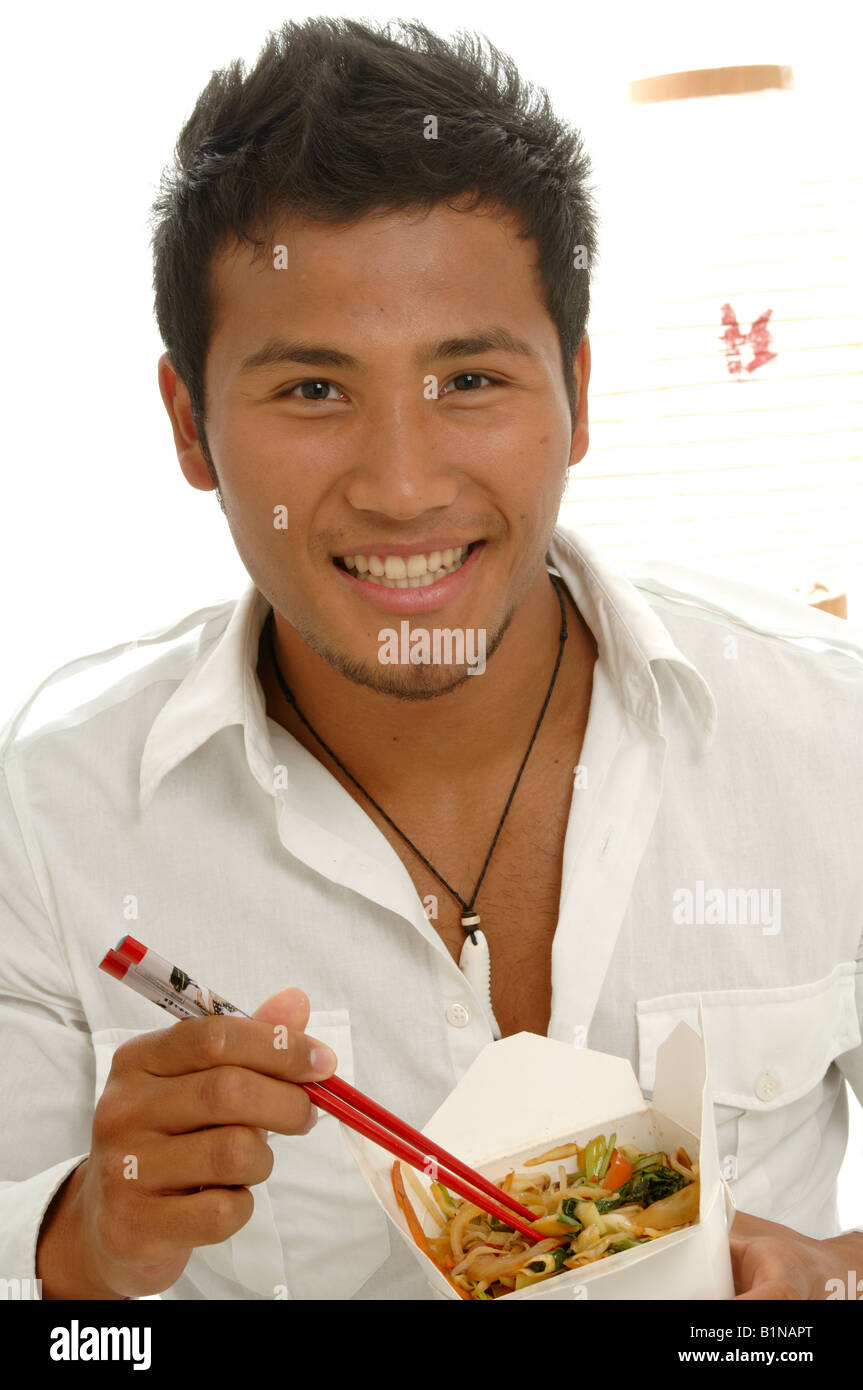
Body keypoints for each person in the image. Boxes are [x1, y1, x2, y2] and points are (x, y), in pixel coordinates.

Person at [1, 17, 861, 1302]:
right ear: (189, 424)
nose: (403, 488)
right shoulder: (46, 821)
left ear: (576, 392)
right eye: (310, 391)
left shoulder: (826, 733)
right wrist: (80, 1257)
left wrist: (832, 1283)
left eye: (468, 378)